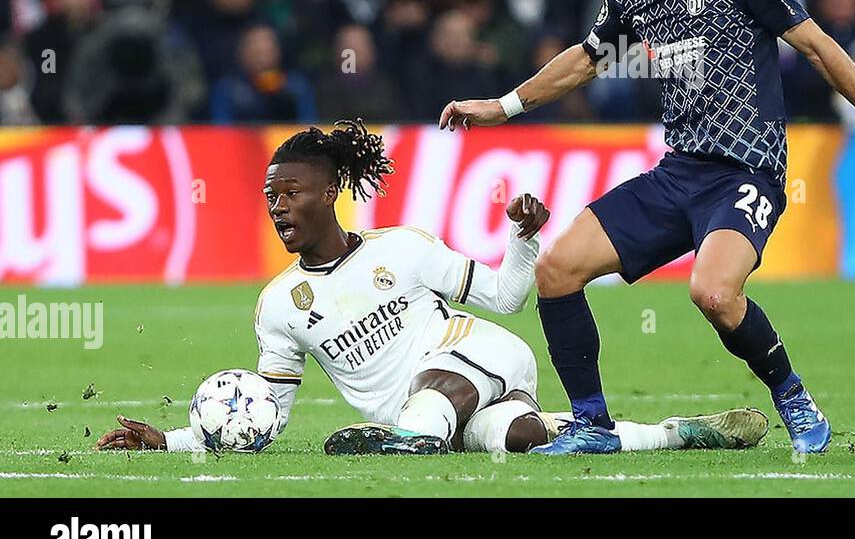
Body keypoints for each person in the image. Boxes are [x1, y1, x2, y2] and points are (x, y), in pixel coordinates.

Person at [441, 0, 855, 454]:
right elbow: (586, 59)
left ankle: (794, 397)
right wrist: (501, 107)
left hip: (746, 172)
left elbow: (815, 45)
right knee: (556, 273)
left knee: (712, 292)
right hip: (676, 174)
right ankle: (591, 425)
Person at [94, 121, 767, 456]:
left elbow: (506, 297)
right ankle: (680, 434)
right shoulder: (277, 307)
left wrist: (522, 239)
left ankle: (413, 439)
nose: (278, 207)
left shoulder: (405, 249)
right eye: (271, 197)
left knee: (435, 393)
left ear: (330, 193)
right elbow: (264, 412)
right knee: (528, 440)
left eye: (291, 193)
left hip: (482, 357)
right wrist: (176, 441)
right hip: (443, 413)